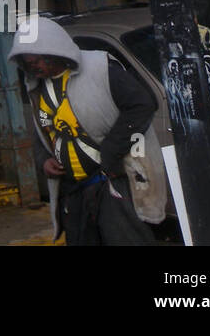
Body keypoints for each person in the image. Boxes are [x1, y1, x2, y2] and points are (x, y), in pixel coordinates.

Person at [8, 16, 165, 245]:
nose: (33, 69)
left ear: (54, 52)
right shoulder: (37, 86)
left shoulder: (100, 69)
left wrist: (112, 151)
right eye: (27, 65)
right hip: (74, 192)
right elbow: (42, 130)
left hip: (111, 182)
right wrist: (44, 160)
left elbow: (142, 105)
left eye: (35, 62)